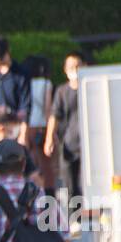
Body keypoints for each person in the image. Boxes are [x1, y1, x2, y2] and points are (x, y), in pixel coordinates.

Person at [45, 52, 85, 201]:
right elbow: (54, 115)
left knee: (88, 186)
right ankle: (74, 219)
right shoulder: (62, 91)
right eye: (71, 67)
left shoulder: (91, 87)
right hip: (69, 144)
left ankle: (91, 219)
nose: (75, 70)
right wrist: (49, 138)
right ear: (65, 70)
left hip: (90, 147)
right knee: (70, 185)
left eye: (78, 66)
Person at [22, 55, 56, 192]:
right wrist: (51, 132)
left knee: (29, 162)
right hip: (41, 128)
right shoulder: (46, 83)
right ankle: (47, 194)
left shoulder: (25, 82)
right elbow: (48, 108)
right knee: (46, 164)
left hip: (27, 127)